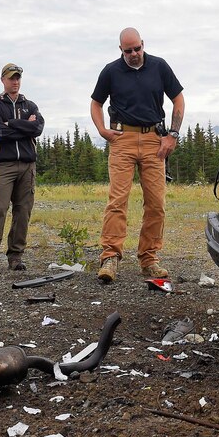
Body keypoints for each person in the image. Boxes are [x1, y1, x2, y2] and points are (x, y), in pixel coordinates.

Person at [90, 28, 184, 284]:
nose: (133, 54)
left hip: (155, 140)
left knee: (156, 203)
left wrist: (172, 135)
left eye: (137, 49)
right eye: (127, 50)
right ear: (120, 50)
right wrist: (102, 130)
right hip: (122, 139)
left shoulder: (159, 66)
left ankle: (149, 259)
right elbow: (96, 103)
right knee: (117, 199)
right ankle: (110, 257)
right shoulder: (111, 71)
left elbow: (178, 99)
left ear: (143, 44)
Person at [0, 63, 44, 275]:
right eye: (11, 78)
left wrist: (12, 123)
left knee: (23, 210)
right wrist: (24, 125)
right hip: (4, 165)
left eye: (18, 78)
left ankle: (15, 256)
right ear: (3, 80)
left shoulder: (30, 105)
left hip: (27, 165)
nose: (15, 81)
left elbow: (38, 128)